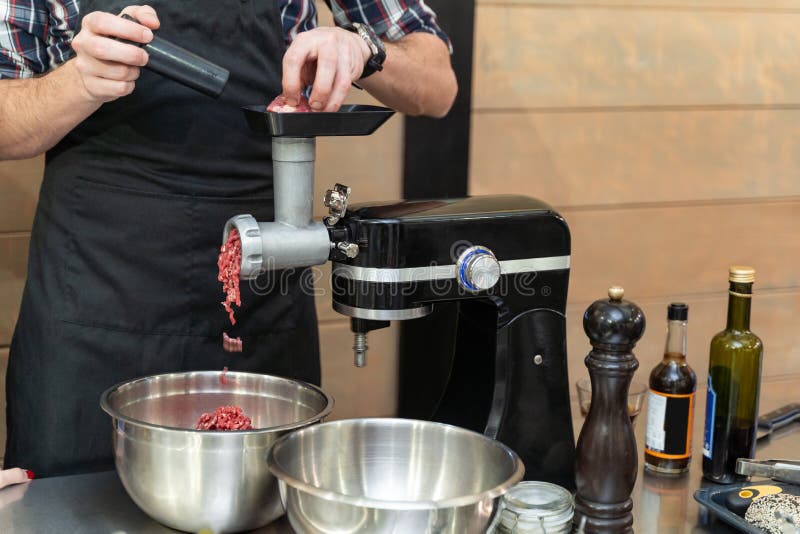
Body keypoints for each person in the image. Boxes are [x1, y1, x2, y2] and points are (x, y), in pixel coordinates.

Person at [0, 0, 456, 478]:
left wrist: (365, 47)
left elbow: (438, 86)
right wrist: (77, 82)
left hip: (260, 287)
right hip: (95, 291)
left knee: (260, 499)